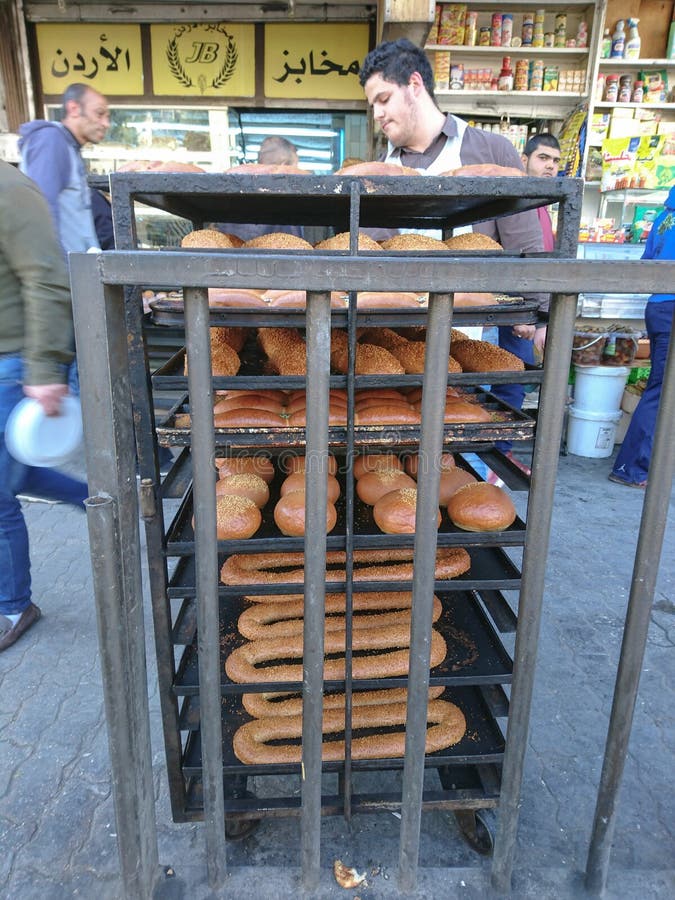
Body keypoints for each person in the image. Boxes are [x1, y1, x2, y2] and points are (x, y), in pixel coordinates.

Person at [359, 39, 546, 470]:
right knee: (399, 469)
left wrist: (537, 315)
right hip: (394, 349)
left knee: (460, 470)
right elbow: (367, 258)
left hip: (472, 349)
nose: (378, 114)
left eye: (383, 99)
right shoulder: (378, 169)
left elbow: (527, 248)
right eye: (372, 105)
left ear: (414, 84)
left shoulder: (489, 151)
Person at [0, 161, 89, 652]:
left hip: (13, 364)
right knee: (18, 470)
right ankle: (98, 500)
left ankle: (14, 605)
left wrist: (44, 366)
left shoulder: (9, 187)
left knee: (1, 489)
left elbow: (45, 277)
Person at [609, 184, 675, 488]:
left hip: (658, 305)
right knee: (662, 391)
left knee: (660, 389)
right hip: (671, 305)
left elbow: (648, 262)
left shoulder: (665, 215)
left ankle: (639, 463)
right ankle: (633, 467)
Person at [18, 82, 110, 258]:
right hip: (57, 276)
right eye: (99, 114)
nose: (106, 123)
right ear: (74, 108)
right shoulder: (51, 141)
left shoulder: (69, 147)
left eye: (107, 116)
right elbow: (40, 211)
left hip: (72, 275)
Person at [213, 135, 305, 241]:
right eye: (296, 165)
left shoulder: (235, 192)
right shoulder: (288, 202)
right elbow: (293, 249)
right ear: (284, 165)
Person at [521, 133, 562, 252]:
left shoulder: (541, 204)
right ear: (524, 160)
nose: (550, 165)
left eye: (556, 161)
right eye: (543, 158)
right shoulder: (514, 202)